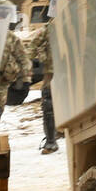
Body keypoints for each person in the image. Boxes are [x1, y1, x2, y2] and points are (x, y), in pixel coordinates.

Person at [0, 0, 31, 136]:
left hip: (0, 84)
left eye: (5, 14)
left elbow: (24, 61)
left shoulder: (11, 38)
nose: (2, 17)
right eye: (1, 14)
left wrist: (25, 80)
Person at [30, 13, 58, 155]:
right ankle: (51, 140)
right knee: (48, 105)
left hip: (67, 71)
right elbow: (33, 44)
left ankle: (55, 137)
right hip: (52, 73)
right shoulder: (49, 28)